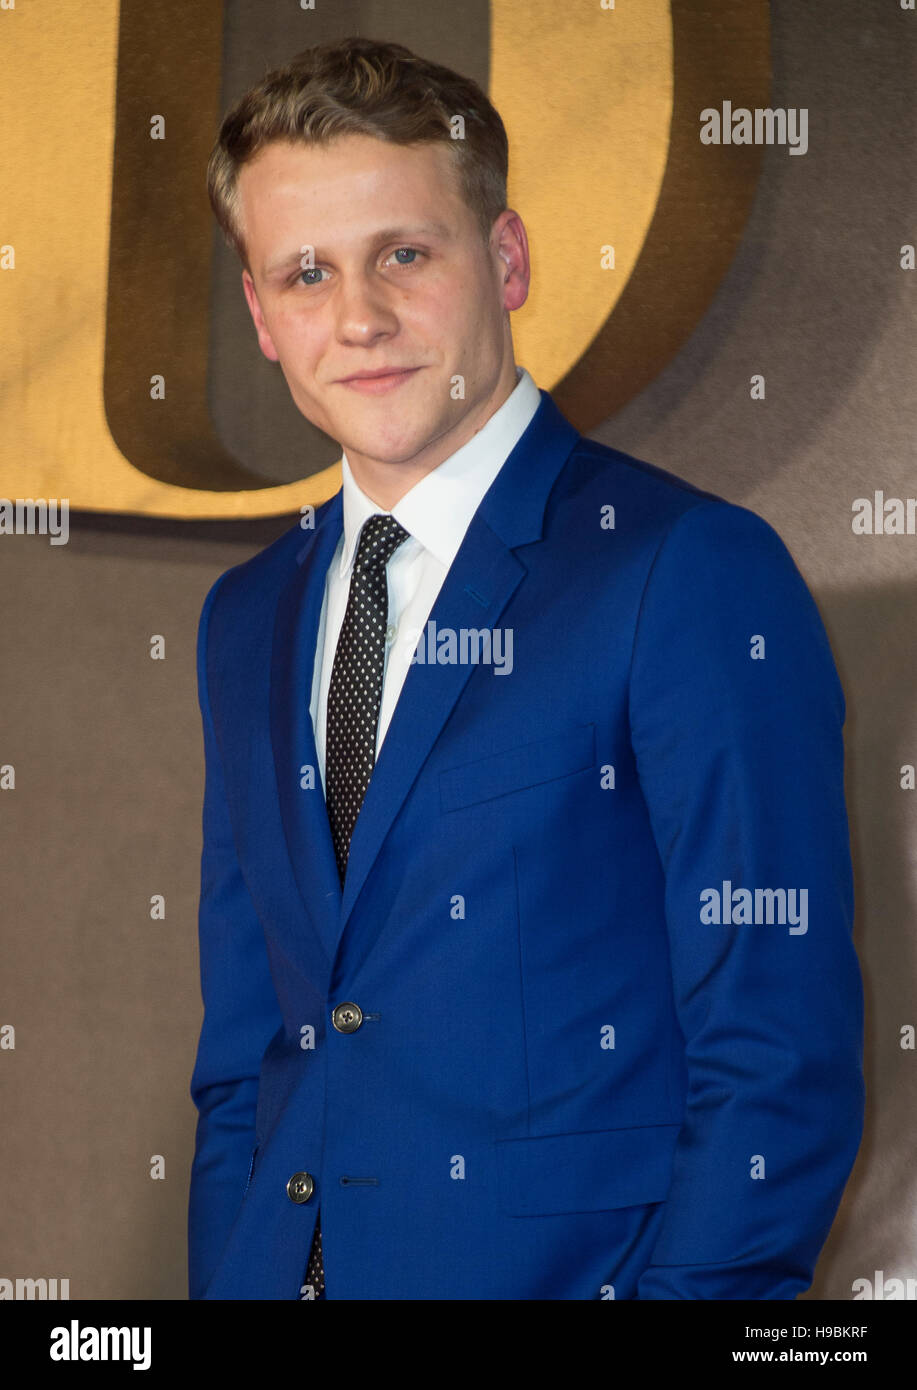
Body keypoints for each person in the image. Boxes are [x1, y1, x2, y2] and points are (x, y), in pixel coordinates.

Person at [188, 35, 864, 1301]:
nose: (358, 318)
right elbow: (250, 1056)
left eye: (403, 252)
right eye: (305, 273)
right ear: (261, 317)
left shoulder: (685, 570)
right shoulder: (247, 618)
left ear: (503, 260)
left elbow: (774, 1048)